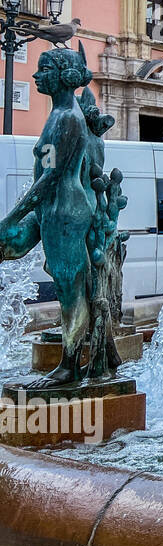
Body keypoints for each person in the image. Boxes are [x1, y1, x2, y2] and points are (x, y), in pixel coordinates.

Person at [0, 48, 97, 387]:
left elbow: (51, 176)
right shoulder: (56, 115)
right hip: (50, 207)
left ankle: (70, 367)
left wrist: (12, 216)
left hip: (64, 209)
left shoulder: (69, 117)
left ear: (63, 75)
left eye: (44, 70)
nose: (37, 76)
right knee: (5, 248)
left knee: (69, 289)